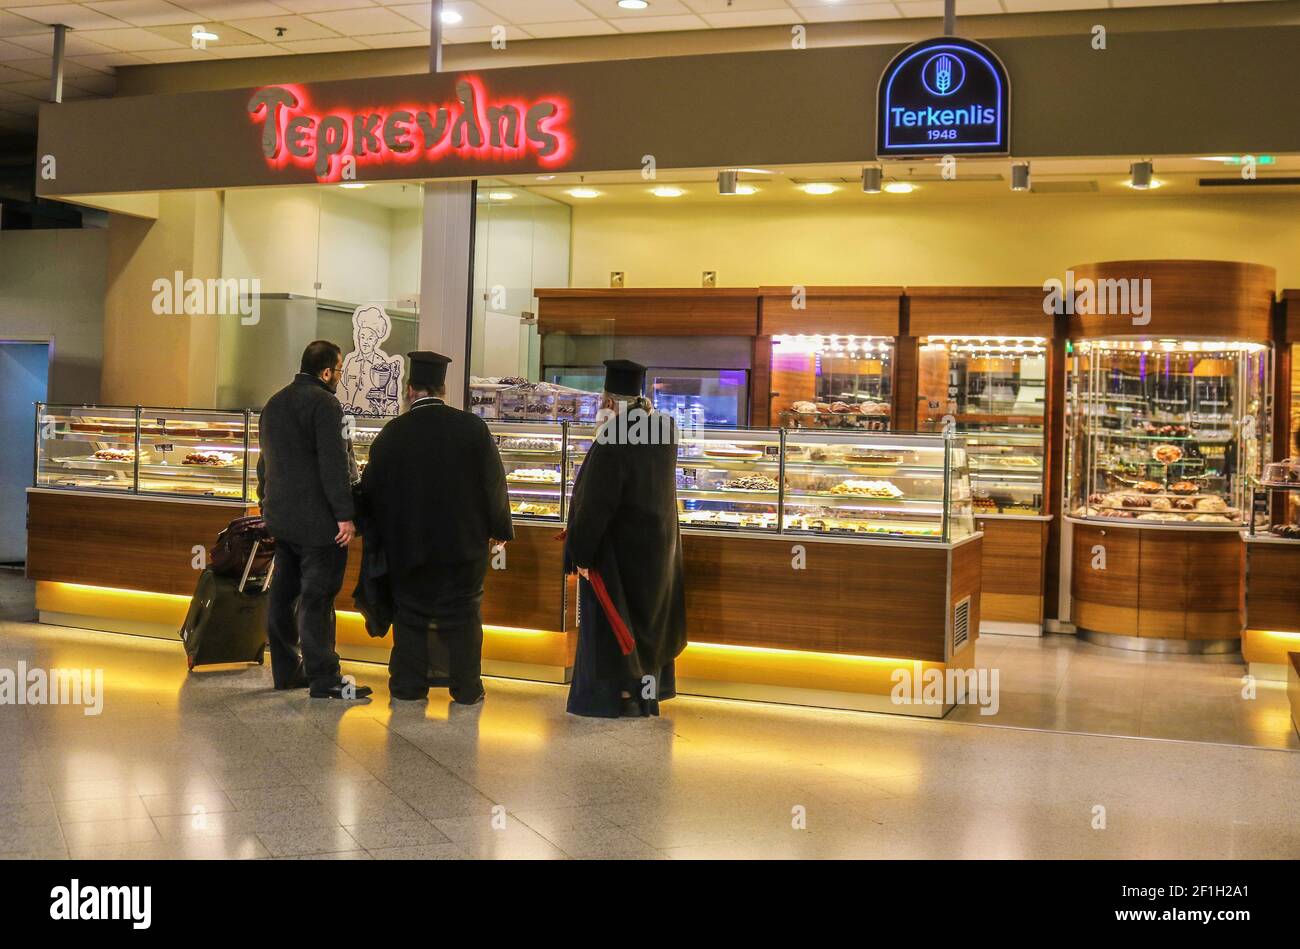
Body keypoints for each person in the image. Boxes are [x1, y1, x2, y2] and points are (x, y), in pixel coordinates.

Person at [359, 351, 513, 703]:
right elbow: (494, 483)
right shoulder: (472, 428)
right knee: (464, 615)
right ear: (442, 389)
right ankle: (466, 688)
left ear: (410, 390)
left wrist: (369, 526)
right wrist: (499, 530)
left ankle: (408, 687)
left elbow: (371, 488)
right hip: (463, 546)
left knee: (410, 614)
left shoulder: (392, 434)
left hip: (407, 545)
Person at [563, 359, 687, 718]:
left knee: (612, 626)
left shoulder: (613, 441)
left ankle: (611, 700)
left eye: (603, 400)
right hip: (655, 551)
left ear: (610, 402)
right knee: (648, 624)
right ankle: (645, 695)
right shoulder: (663, 430)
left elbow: (596, 505)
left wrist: (581, 555)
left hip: (617, 556)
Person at [256, 340, 372, 700]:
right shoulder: (326, 404)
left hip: (282, 519)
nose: (339, 377)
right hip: (320, 524)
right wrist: (345, 516)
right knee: (317, 598)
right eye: (339, 371)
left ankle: (287, 671)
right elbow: (334, 464)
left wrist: (266, 504)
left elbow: (265, 463)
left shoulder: (274, 403)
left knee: (283, 594)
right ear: (326, 372)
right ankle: (324, 677)